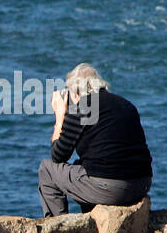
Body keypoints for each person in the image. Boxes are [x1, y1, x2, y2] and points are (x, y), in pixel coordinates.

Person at [39, 63, 152, 217]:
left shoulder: (83, 107)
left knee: (47, 169)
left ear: (75, 91)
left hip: (111, 189)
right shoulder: (126, 104)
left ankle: (59, 227)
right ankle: (93, 220)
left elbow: (58, 156)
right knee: (83, 166)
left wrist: (60, 116)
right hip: (141, 184)